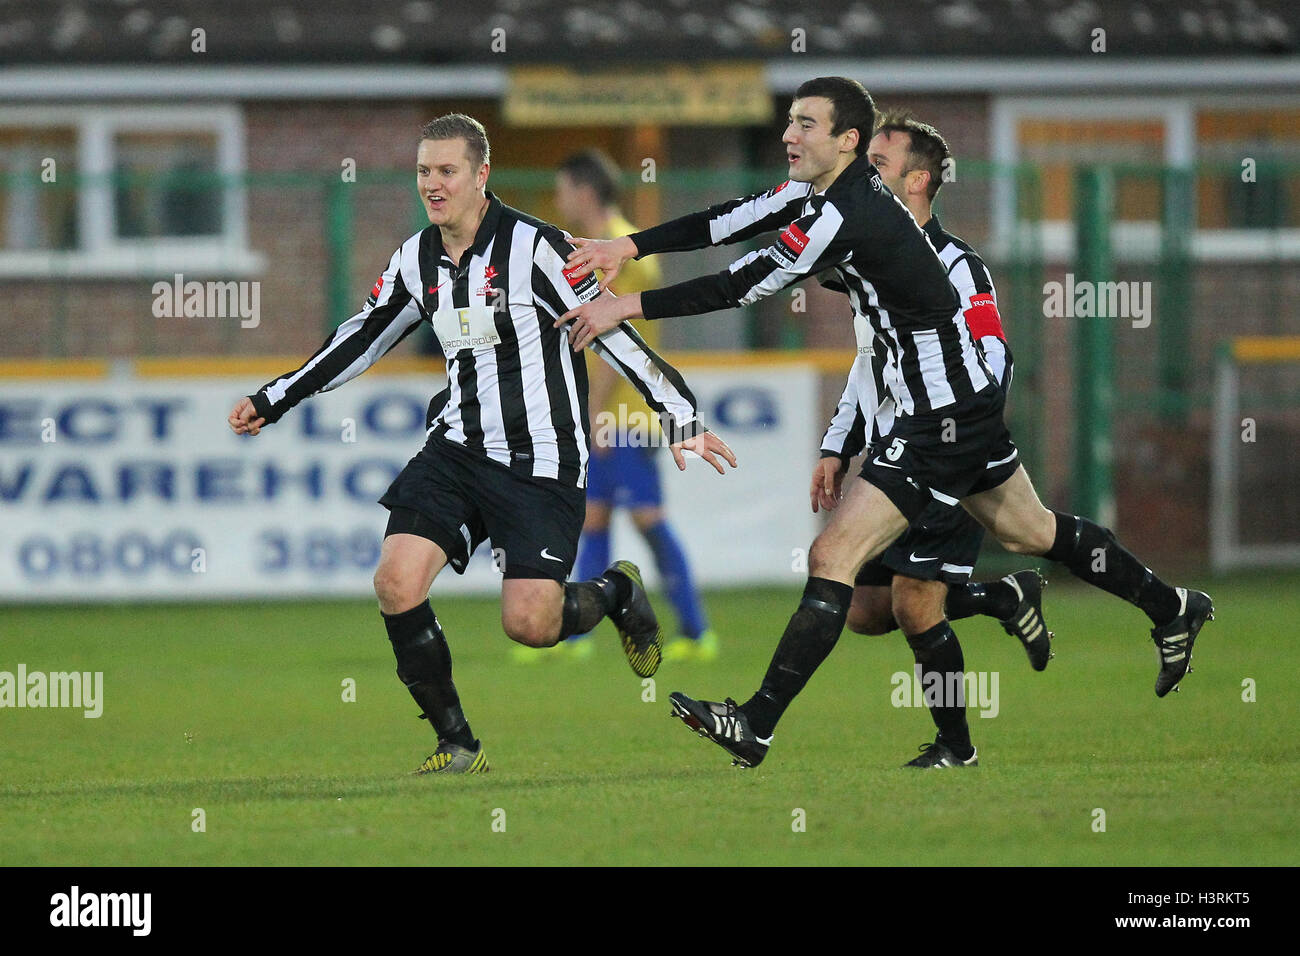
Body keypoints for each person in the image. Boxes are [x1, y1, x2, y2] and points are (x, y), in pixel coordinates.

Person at [558, 77, 1214, 770]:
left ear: (847, 141)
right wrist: (625, 251)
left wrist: (624, 308)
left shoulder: (849, 214)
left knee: (837, 561)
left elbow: (745, 281)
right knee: (1029, 531)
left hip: (941, 415)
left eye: (805, 124)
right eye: (789, 121)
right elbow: (731, 218)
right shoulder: (824, 196)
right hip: (952, 410)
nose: (788, 134)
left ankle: (755, 724)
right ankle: (1170, 607)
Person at [227, 114, 736, 775]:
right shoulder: (417, 259)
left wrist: (679, 415)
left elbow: (612, 331)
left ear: (481, 176)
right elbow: (364, 335)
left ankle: (615, 593)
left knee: (530, 624)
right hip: (457, 449)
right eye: (423, 172)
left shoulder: (539, 249)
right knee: (395, 581)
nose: (432, 186)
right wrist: (275, 398)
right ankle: (457, 741)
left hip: (541, 460)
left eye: (446, 172)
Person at [811, 108, 1052, 761]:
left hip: (946, 449)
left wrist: (965, 436)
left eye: (878, 168)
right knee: (866, 610)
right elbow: (870, 363)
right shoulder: (879, 262)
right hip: (898, 453)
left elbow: (996, 355)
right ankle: (1001, 596)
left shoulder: (959, 265)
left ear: (917, 182)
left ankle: (956, 747)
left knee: (917, 603)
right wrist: (838, 443)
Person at [543, 149, 718, 664]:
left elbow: (609, 343)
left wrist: (593, 413)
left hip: (626, 415)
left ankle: (696, 630)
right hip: (620, 413)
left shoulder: (617, 252)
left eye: (562, 189)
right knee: (594, 519)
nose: (557, 200)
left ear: (584, 191)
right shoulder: (615, 244)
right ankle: (576, 636)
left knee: (647, 519)